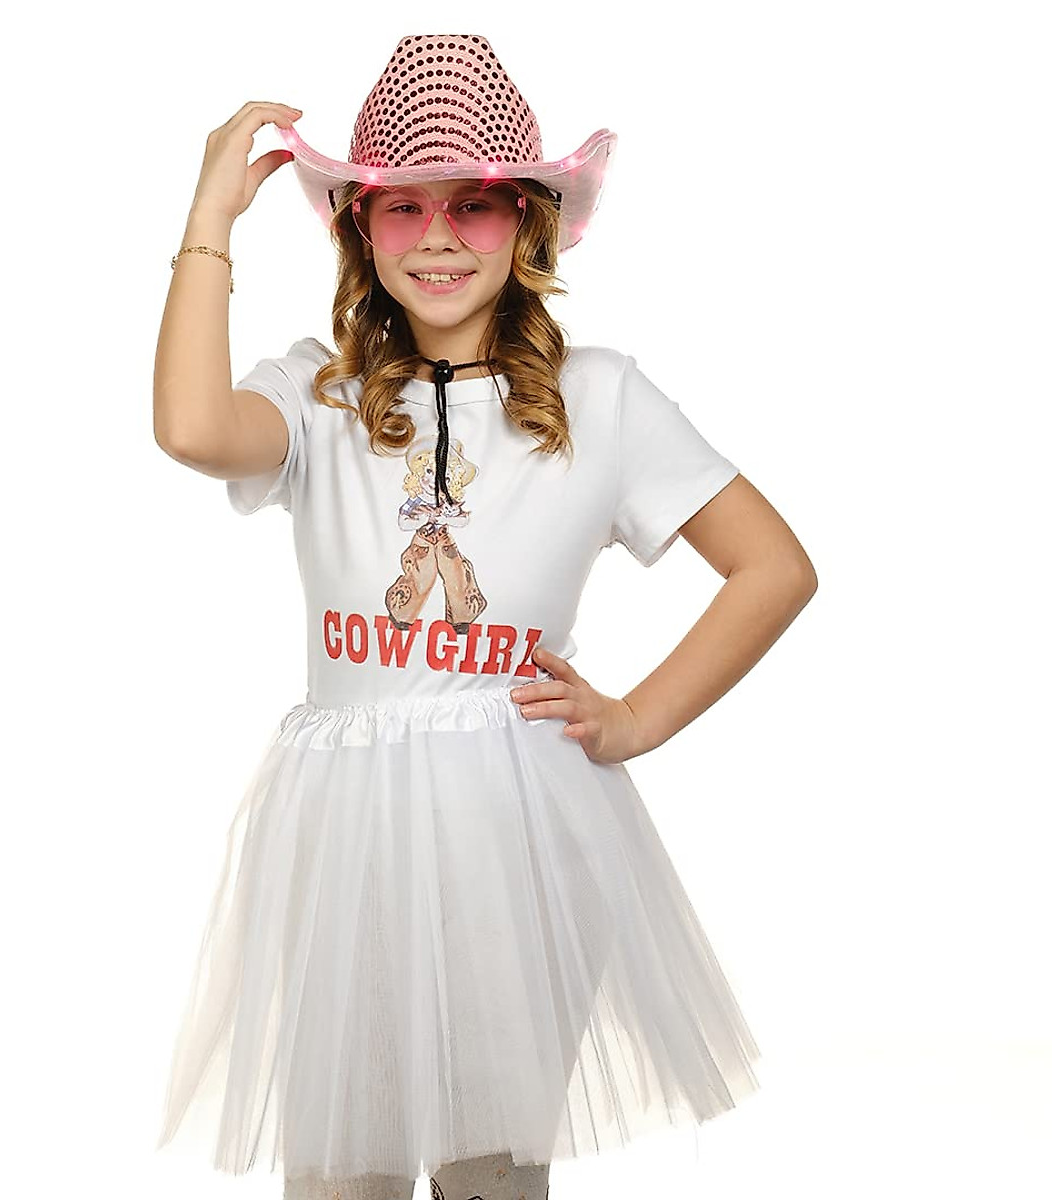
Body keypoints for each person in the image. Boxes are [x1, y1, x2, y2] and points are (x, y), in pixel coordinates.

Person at [152, 33, 817, 1200]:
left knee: (491, 1165)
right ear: (360, 229)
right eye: (404, 206)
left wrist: (636, 719)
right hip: (347, 830)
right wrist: (211, 220)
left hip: (519, 832)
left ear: (529, 222)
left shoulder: (599, 399)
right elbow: (194, 430)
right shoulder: (320, 394)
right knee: (342, 1163)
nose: (441, 236)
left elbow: (772, 567)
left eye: (476, 204)